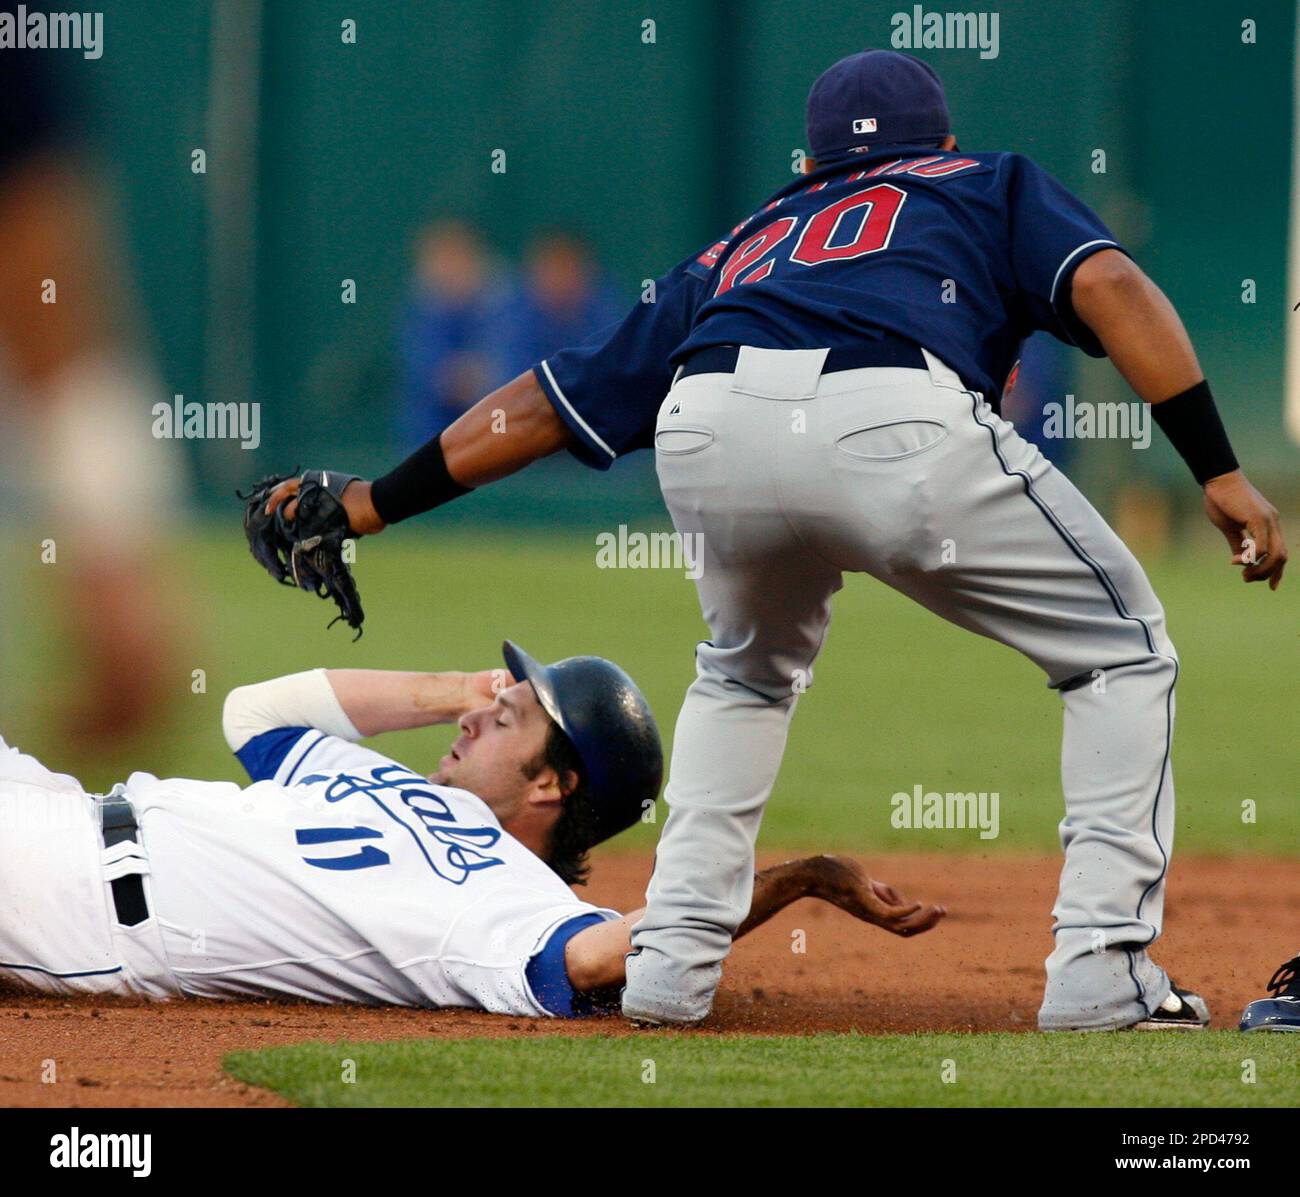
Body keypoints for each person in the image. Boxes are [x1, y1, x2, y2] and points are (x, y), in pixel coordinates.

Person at [259, 50, 1287, 1032]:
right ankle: (1101, 974)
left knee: (744, 678)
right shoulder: (986, 179)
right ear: (943, 139)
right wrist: (1217, 470)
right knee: (1120, 651)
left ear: (812, 164)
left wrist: (370, 506)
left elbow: (545, 401)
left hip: (706, 429)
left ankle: (668, 969)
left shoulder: (747, 238)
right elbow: (1111, 288)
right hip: (893, 413)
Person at [0, 641, 942, 1014]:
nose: (475, 716)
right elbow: (255, 713)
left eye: (511, 717)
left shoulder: (511, 905)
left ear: (552, 786)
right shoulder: (397, 785)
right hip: (54, 802)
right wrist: (462, 688)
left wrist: (803, 876)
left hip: (78, 904)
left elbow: (612, 956)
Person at [396, 218, 512, 445]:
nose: (450, 268)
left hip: (498, 442)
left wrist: (479, 379)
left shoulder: (504, 308)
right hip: (427, 441)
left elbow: (512, 368)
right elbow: (424, 374)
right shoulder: (421, 312)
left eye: (458, 257)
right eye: (442, 259)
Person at [499, 229, 624, 378]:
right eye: (551, 268)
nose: (559, 279)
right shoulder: (515, 320)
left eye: (567, 267)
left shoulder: (608, 320)